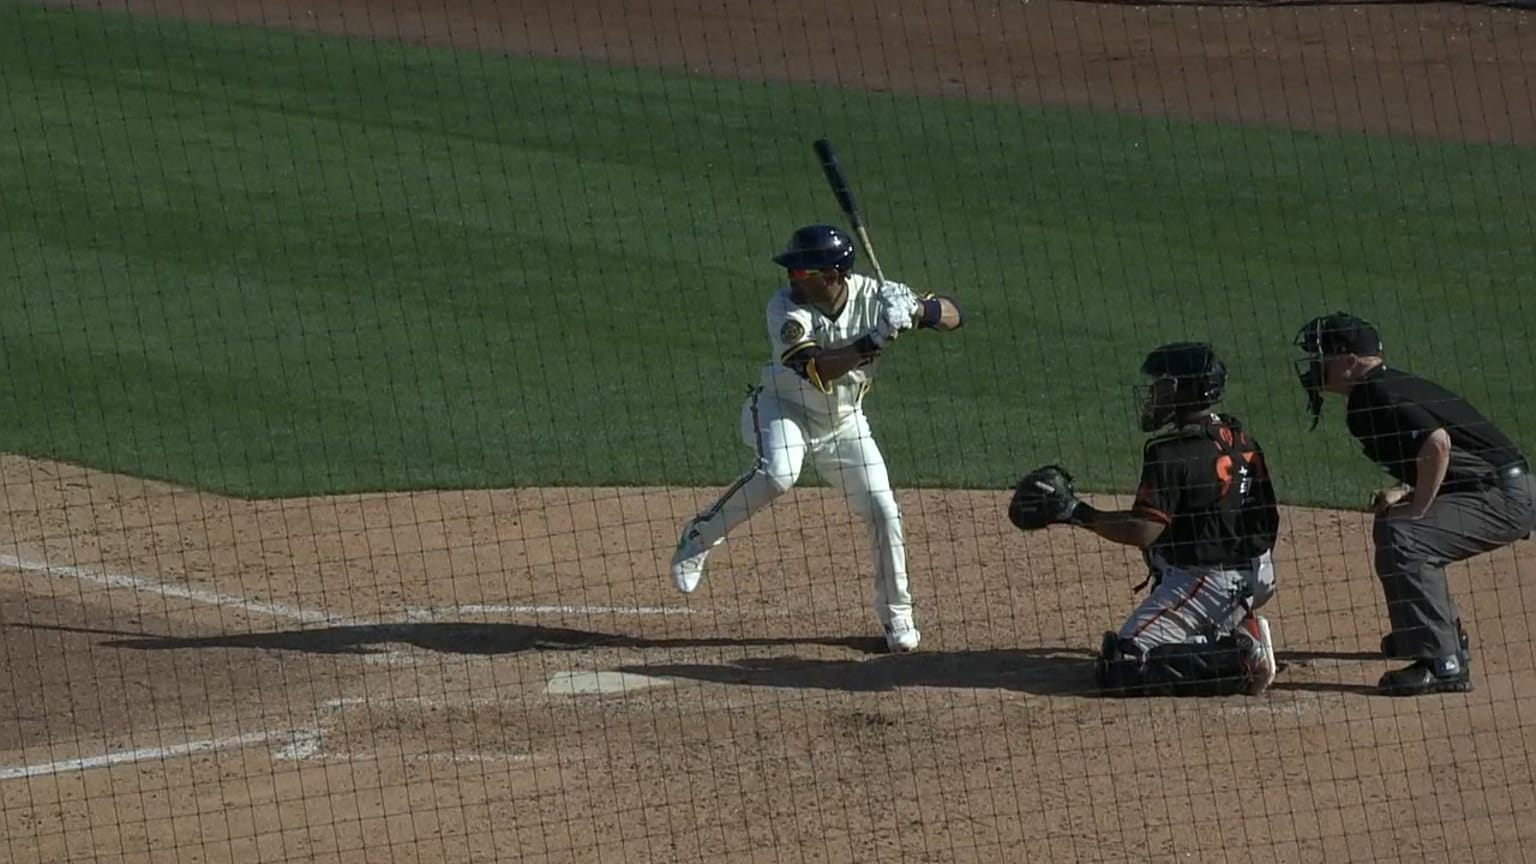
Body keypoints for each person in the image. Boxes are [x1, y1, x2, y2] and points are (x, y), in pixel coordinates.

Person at [669, 224, 965, 652]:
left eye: (801, 272)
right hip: (781, 408)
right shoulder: (784, 307)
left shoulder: (873, 296)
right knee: (778, 473)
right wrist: (875, 338)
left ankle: (897, 614)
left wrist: (920, 310)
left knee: (883, 510)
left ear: (832, 275)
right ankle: (699, 536)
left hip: (844, 423)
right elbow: (815, 368)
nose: (792, 278)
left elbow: (957, 315)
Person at [1008, 342, 1280, 696]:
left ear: (1187, 390)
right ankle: (1229, 621)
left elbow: (1144, 530)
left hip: (1209, 582)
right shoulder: (1240, 438)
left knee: (1122, 664)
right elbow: (1266, 517)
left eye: (1163, 387)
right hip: (1259, 573)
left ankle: (1240, 657)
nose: (1155, 396)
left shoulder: (1169, 452)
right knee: (1166, 546)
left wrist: (1075, 512)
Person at [1294, 312, 1536, 695]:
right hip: (1493, 488)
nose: (1314, 363)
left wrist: (1419, 505)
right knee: (1395, 521)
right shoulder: (1382, 387)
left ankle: (1444, 664)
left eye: (1322, 355)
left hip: (1503, 496)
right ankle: (1426, 632)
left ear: (1350, 360)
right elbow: (1440, 453)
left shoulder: (1378, 395)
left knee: (1405, 534)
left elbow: (1438, 444)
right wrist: (1404, 489)